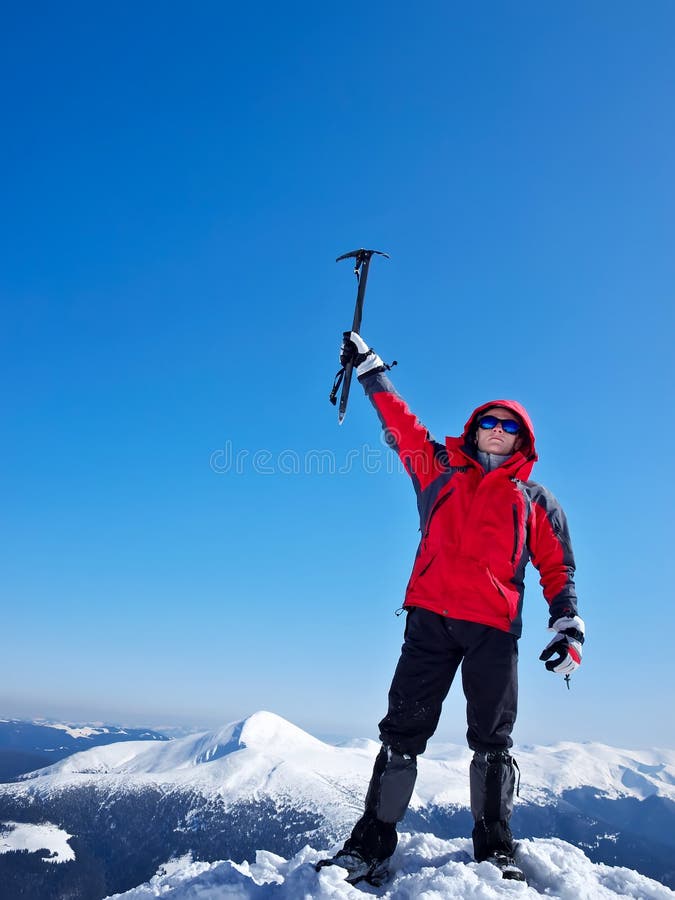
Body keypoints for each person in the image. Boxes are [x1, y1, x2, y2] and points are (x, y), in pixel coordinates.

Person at [317, 332, 585, 886]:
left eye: (510, 425)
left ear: (523, 440)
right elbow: (401, 424)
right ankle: (370, 846)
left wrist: (567, 626)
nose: (498, 430)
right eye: (490, 420)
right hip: (430, 622)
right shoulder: (437, 469)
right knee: (402, 733)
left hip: (493, 631)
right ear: (475, 427)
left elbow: (557, 570)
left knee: (492, 741)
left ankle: (494, 850)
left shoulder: (536, 502)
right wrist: (370, 372)